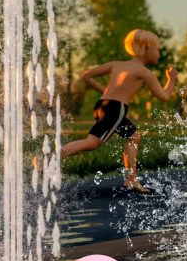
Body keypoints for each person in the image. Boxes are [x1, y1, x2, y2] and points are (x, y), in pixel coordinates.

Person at [61, 29, 176, 194]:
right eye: (157, 49)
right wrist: (171, 79)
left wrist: (105, 93)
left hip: (102, 105)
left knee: (134, 136)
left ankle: (131, 180)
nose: (159, 53)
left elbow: (86, 76)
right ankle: (49, 158)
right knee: (92, 143)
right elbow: (164, 96)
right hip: (116, 109)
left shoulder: (117, 65)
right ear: (145, 49)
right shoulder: (144, 72)